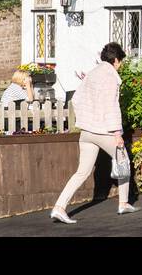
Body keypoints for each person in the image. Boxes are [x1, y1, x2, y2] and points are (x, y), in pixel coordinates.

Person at [52, 43, 136, 223]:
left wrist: (84, 121)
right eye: (120, 62)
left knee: (82, 172)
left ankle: (59, 207)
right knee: (123, 161)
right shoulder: (111, 76)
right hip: (104, 131)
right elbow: (112, 106)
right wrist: (117, 133)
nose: (120, 66)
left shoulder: (92, 74)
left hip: (87, 131)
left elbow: (76, 99)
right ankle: (123, 203)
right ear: (115, 60)